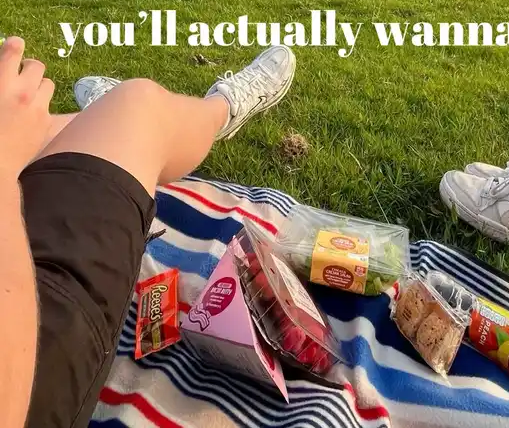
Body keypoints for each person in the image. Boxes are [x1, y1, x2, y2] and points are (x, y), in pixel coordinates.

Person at [0, 35, 296, 428]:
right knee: (139, 106)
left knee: (70, 127)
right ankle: (221, 109)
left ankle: (107, 115)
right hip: (29, 358)